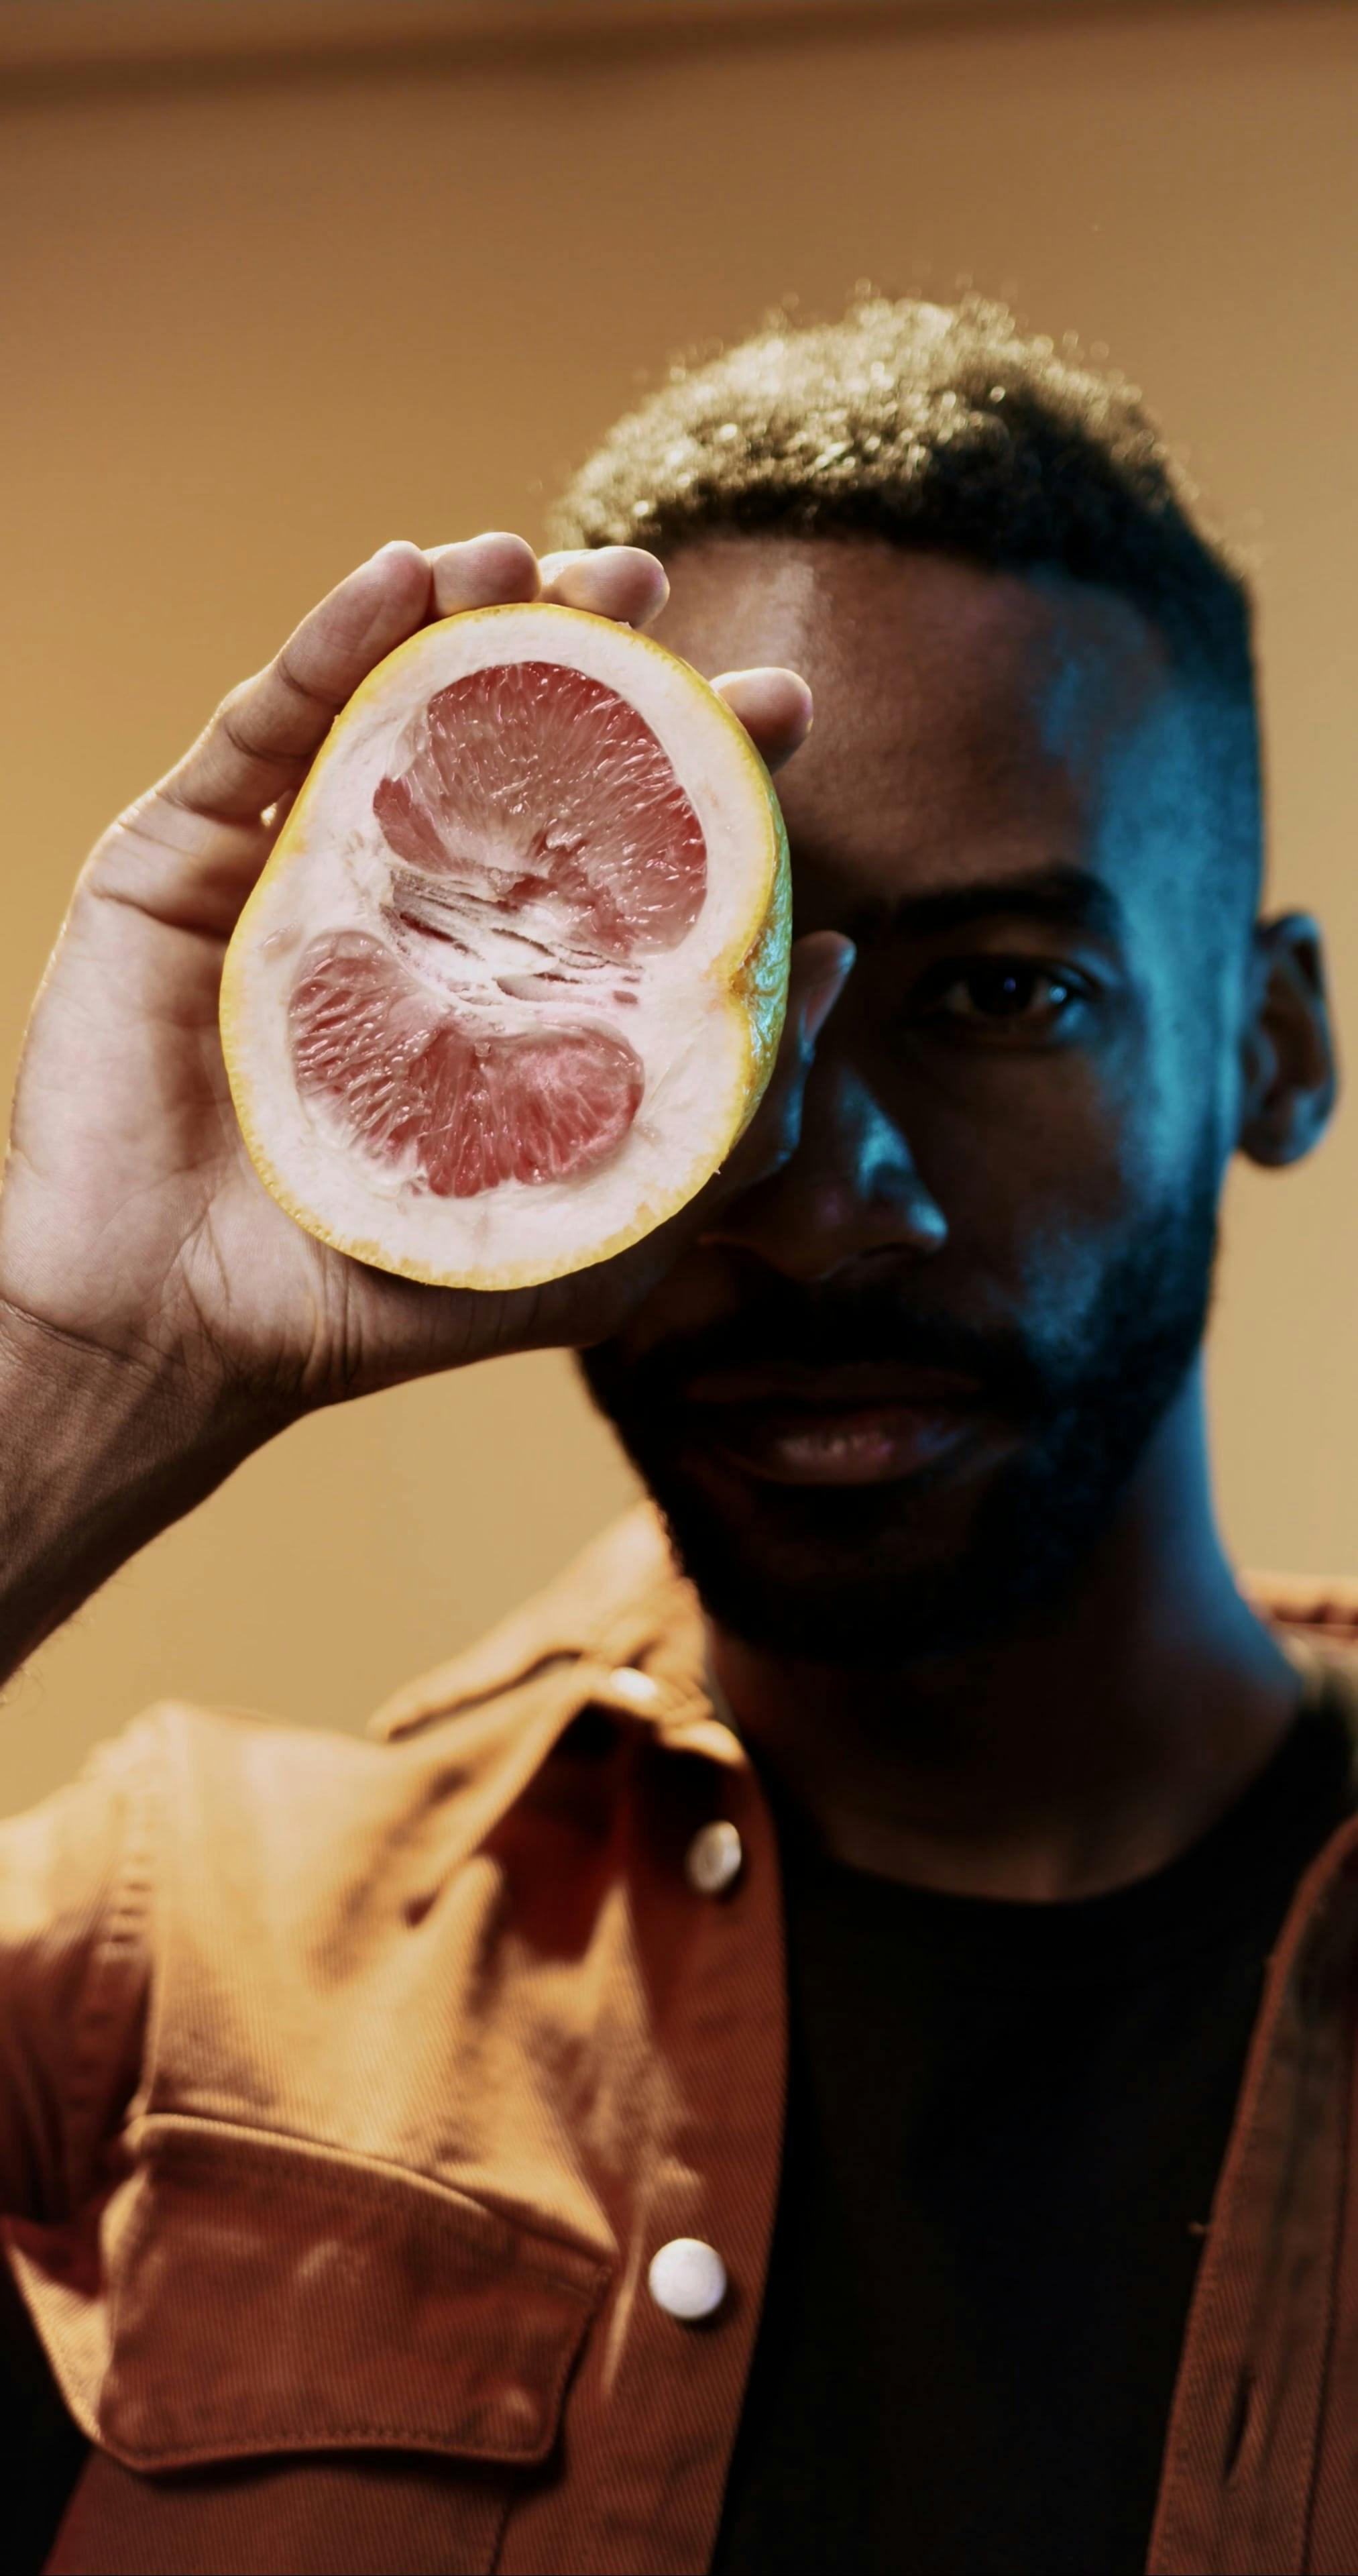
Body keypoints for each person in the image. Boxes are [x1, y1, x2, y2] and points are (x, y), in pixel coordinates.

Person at [0, 294, 1353, 2576]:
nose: (826, 1202)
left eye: (1001, 992)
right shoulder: (159, 1966)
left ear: (1272, 1043)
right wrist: (76, 1369)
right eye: (730, 1005)